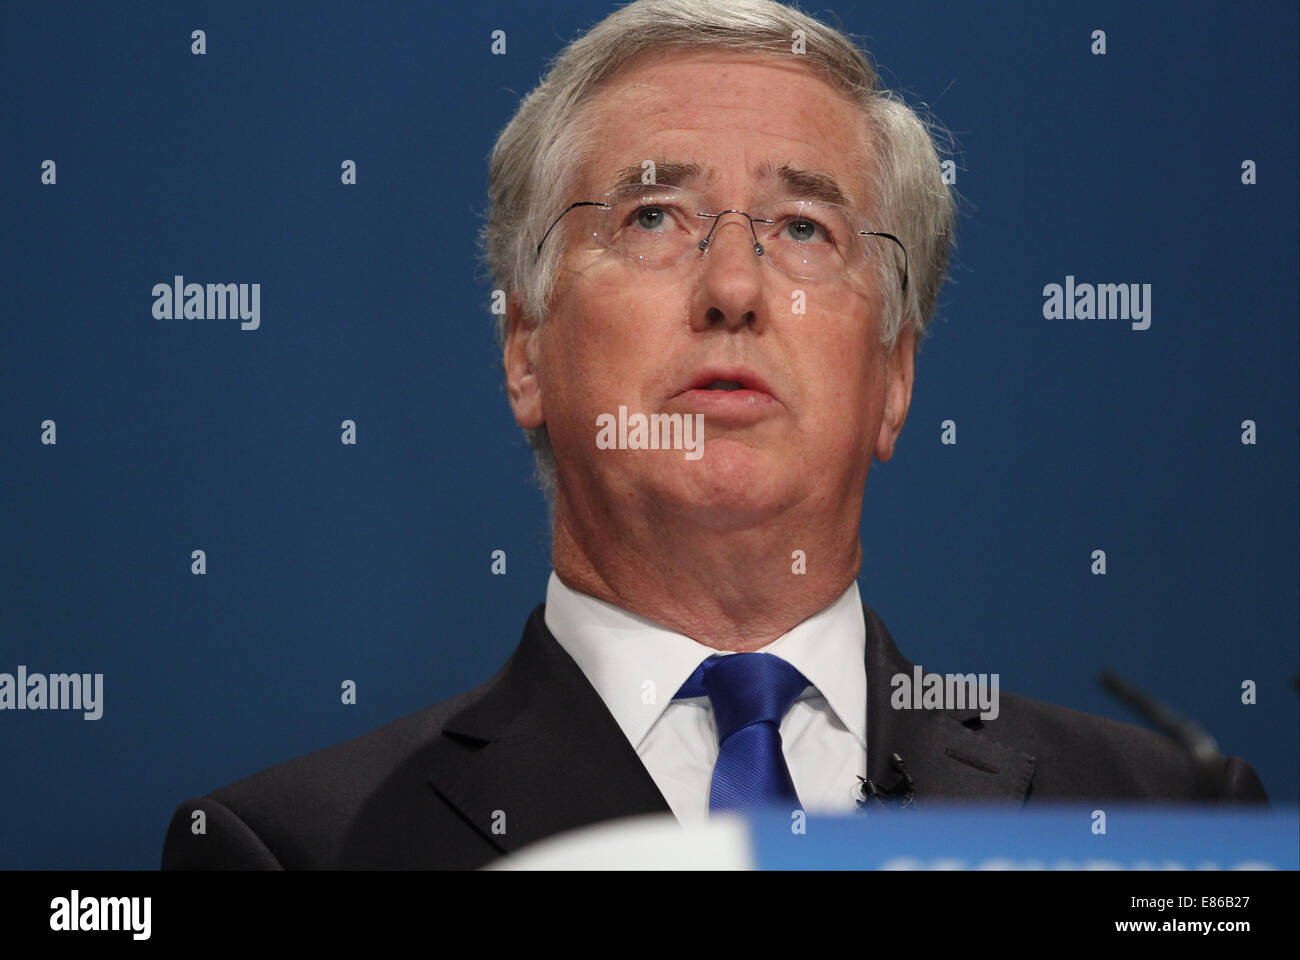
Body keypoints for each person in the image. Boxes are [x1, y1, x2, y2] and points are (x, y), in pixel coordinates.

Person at [162, 0, 1265, 871]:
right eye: (651, 217)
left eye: (802, 227)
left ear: (894, 374)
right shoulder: (298, 851)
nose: (733, 286)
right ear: (524, 347)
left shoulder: (1162, 821)